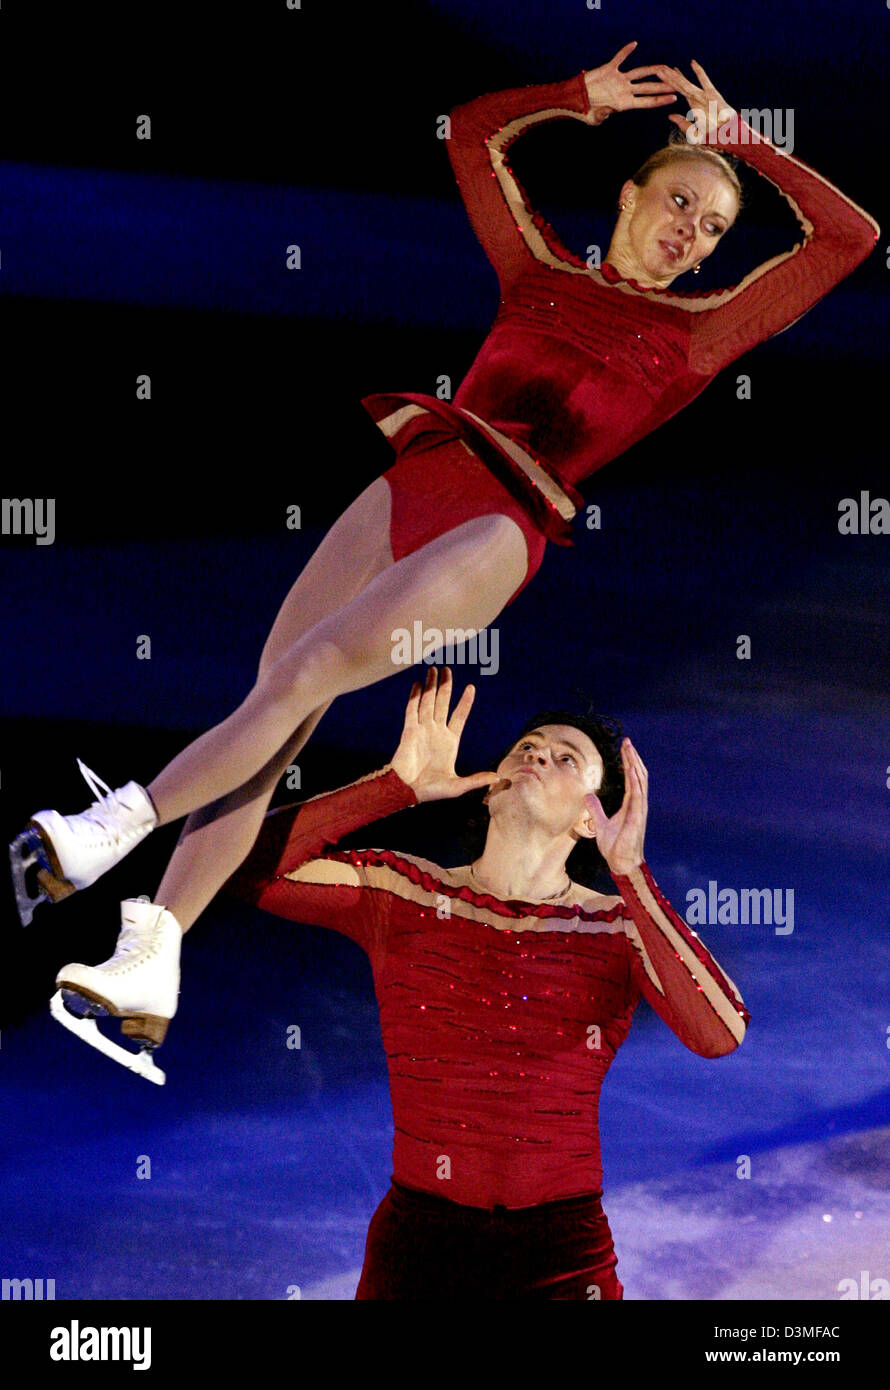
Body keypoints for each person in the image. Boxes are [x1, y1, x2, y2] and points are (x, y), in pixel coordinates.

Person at [10, 44, 873, 1074]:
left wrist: (738, 139)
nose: (690, 232)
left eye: (712, 229)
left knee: (306, 676)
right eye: (678, 199)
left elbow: (846, 237)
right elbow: (467, 131)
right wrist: (571, 98)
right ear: (628, 192)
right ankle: (150, 960)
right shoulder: (534, 266)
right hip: (412, 478)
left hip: (499, 525)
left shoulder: (695, 335)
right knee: (273, 715)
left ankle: (112, 828)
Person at [220, 666, 749, 1299]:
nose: (535, 756)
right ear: (490, 788)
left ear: (591, 819)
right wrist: (393, 788)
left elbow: (720, 1033)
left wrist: (632, 877)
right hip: (418, 1250)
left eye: (564, 758)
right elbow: (241, 866)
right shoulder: (406, 892)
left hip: (562, 1257)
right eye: (526, 748)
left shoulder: (614, 929)